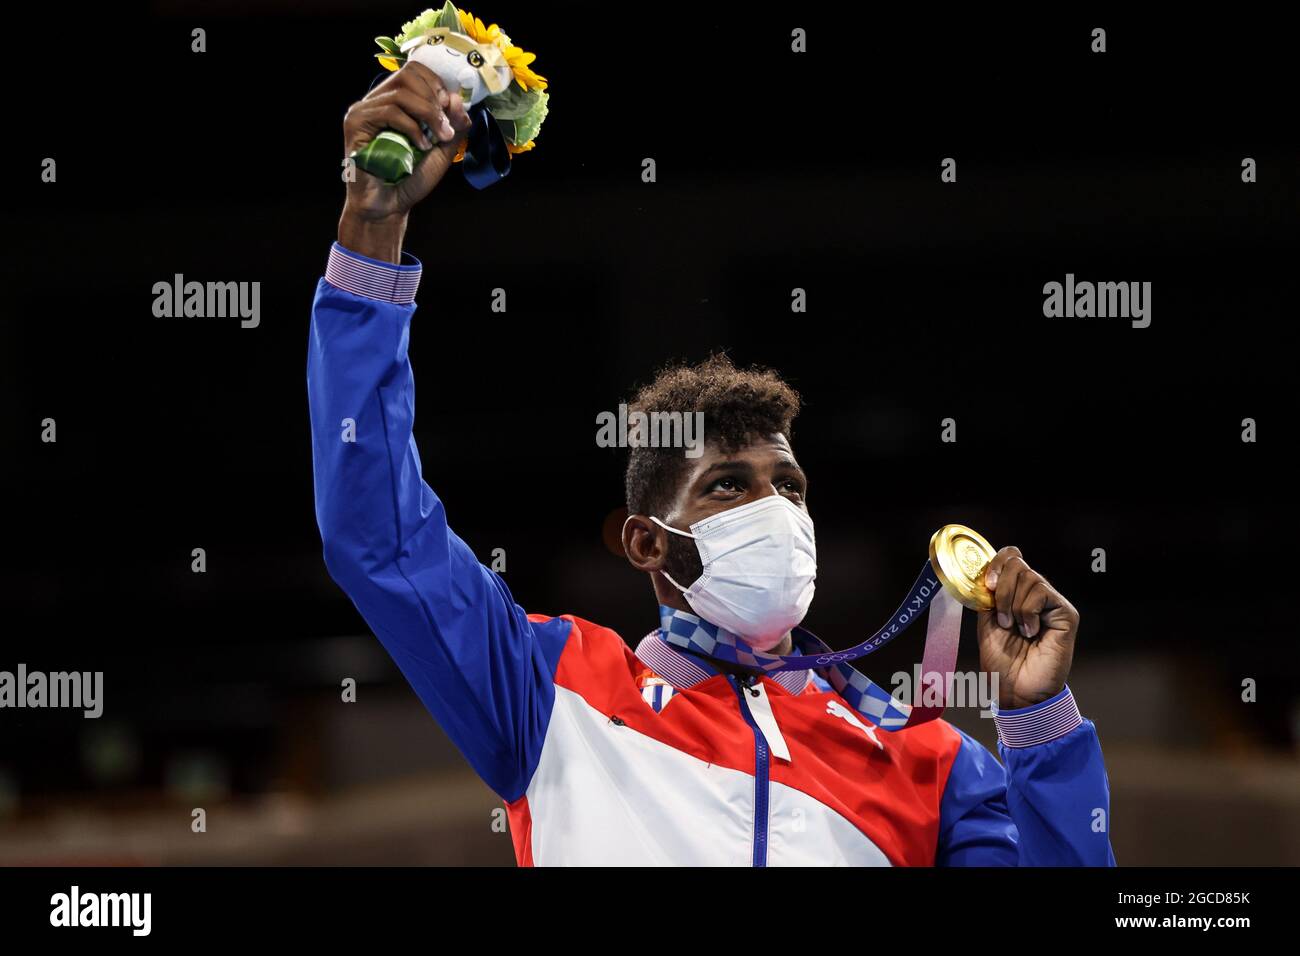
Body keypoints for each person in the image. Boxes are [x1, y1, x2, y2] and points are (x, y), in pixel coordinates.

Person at [307, 60, 1115, 866]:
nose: (776, 510)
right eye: (730, 486)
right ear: (647, 541)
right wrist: (371, 228)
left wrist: (1040, 722)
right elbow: (377, 536)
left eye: (789, 488)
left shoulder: (927, 762)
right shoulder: (547, 688)